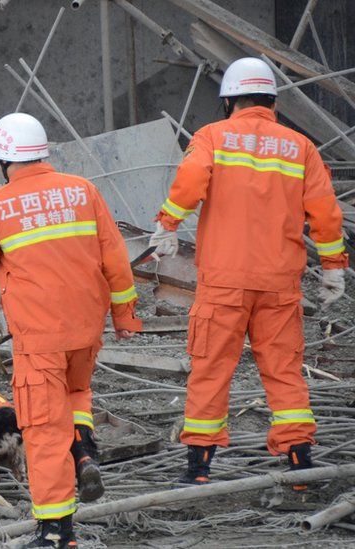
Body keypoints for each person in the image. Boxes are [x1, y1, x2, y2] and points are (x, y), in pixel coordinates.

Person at [148, 57, 348, 485]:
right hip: (279, 284)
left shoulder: (212, 137)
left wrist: (167, 224)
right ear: (271, 101)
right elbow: (327, 216)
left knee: (210, 369)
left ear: (229, 101)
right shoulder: (301, 147)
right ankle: (299, 466)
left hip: (224, 282)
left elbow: (191, 177)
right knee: (284, 373)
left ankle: (198, 470)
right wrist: (333, 268)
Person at [0, 113, 142, 548]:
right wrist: (125, 315)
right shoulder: (84, 191)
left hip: (39, 337)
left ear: (3, 160)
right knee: (76, 395)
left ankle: (57, 530)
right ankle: (85, 452)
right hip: (85, 329)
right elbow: (115, 258)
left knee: (42, 428)